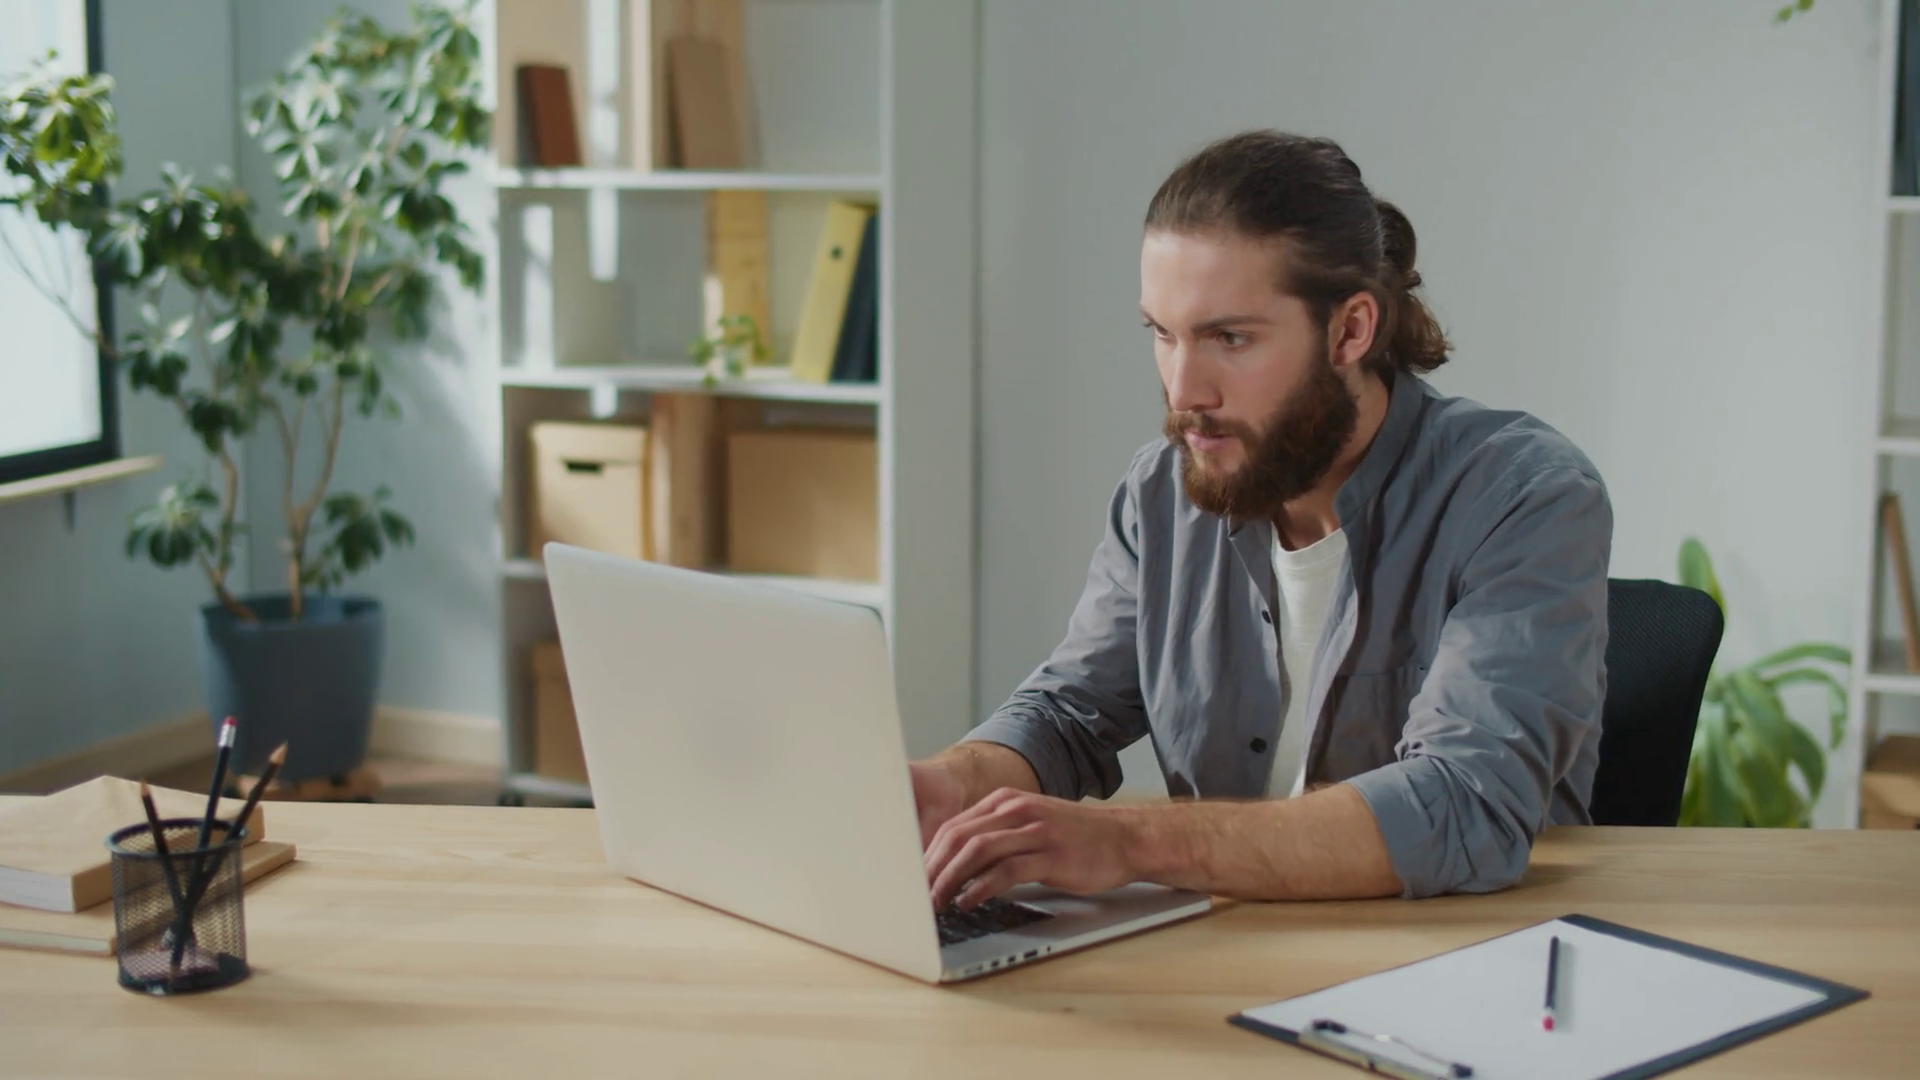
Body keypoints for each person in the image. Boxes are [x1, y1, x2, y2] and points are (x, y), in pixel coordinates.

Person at [916, 130, 1612, 911]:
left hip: (1458, 955)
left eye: (1230, 338)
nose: (1184, 391)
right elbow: (1068, 715)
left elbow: (1464, 805)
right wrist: (951, 783)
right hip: (1225, 951)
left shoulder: (1523, 495)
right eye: (1163, 334)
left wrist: (1129, 842)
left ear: (1351, 330)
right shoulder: (1161, 494)